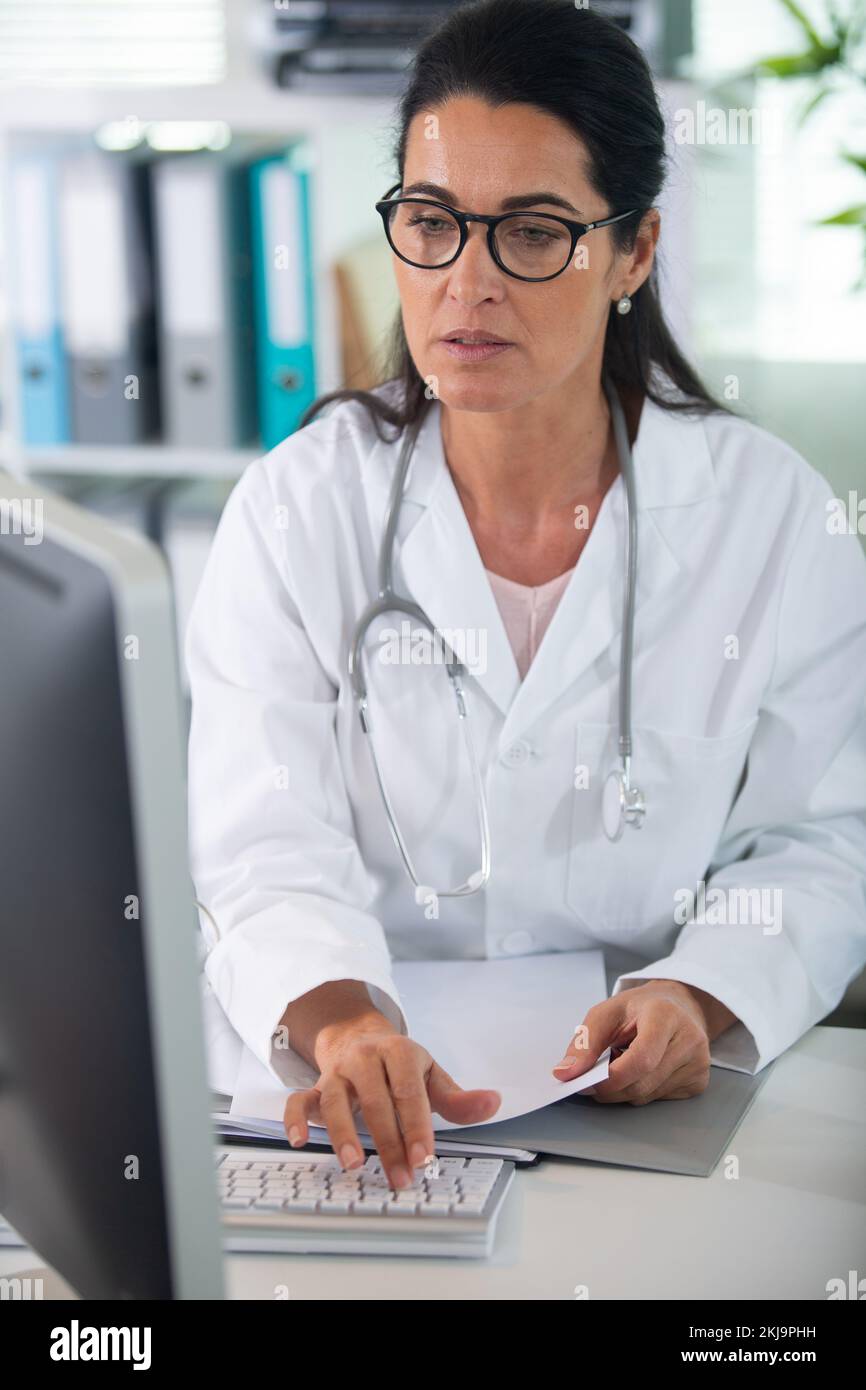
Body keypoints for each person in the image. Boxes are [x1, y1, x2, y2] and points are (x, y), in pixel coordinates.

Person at [186, 0, 866, 1192]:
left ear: (633, 252)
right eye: (432, 223)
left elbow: (821, 839)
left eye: (534, 234)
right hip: (360, 1129)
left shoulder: (771, 517)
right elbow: (259, 850)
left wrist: (697, 996)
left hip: (652, 1126)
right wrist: (344, 1023)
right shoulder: (296, 511)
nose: (469, 283)